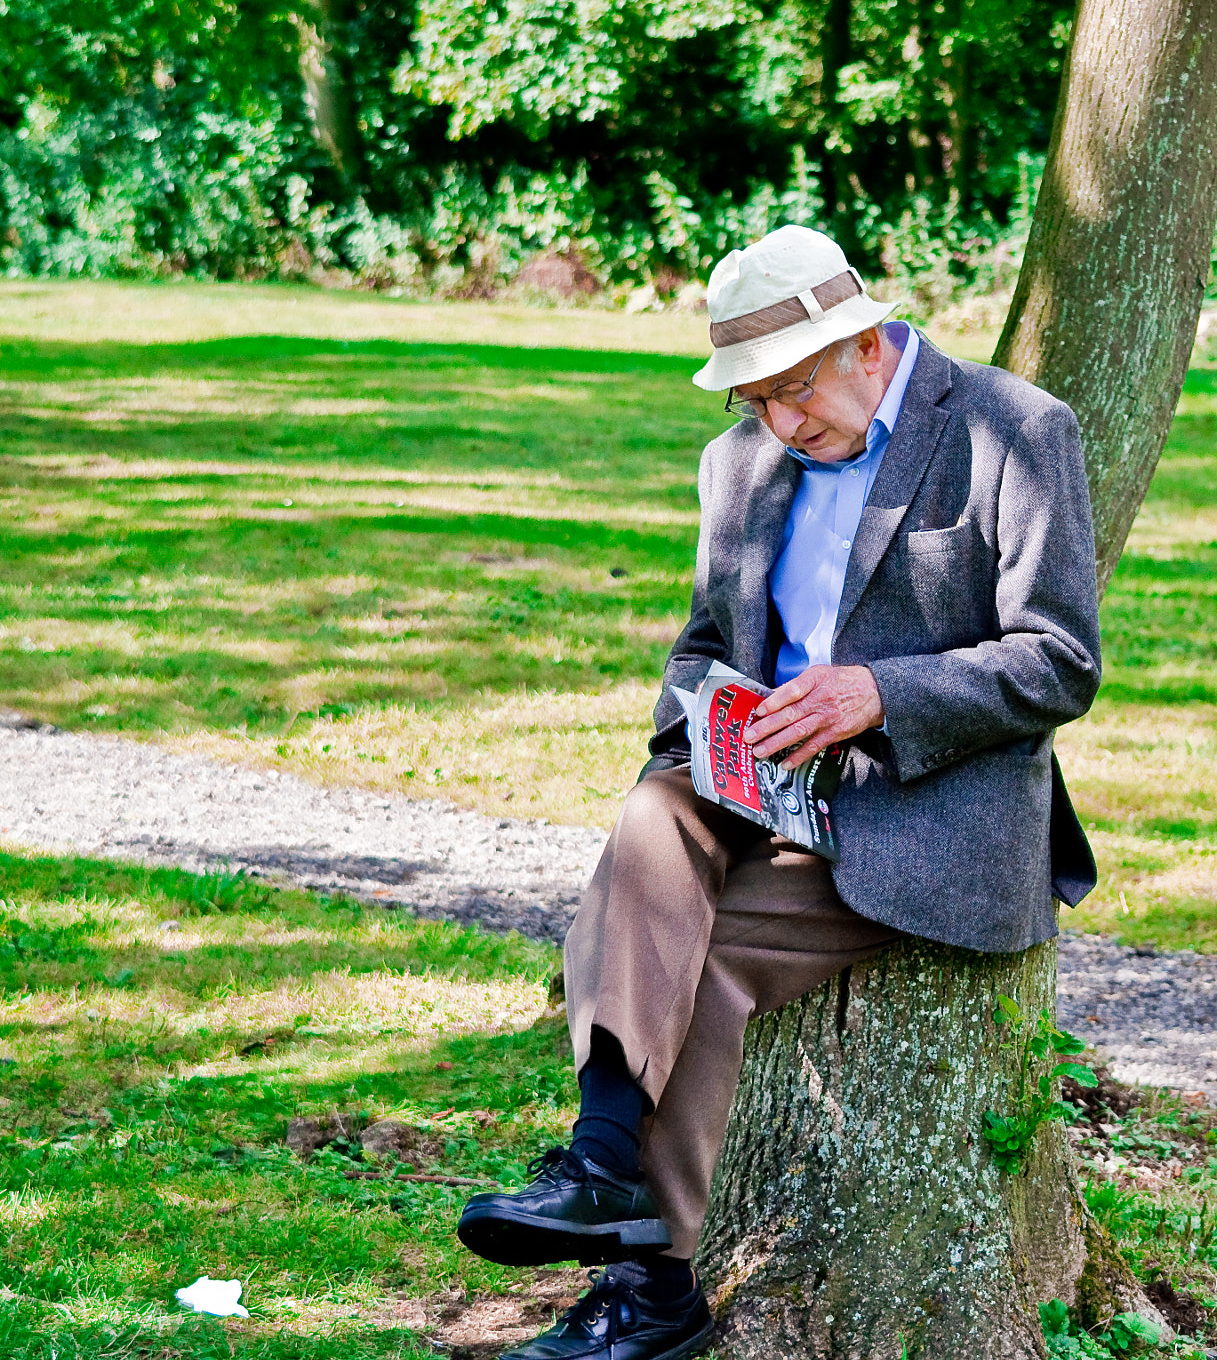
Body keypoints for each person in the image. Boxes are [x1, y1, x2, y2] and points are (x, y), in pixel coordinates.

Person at [453, 224, 1103, 1360]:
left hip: (921, 806)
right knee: (654, 812)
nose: (780, 425)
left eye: (793, 390)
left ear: (860, 343)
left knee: (700, 965)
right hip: (758, 780)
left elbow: (1058, 658)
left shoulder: (1011, 429)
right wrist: (711, 726)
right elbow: (705, 642)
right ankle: (604, 1161)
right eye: (752, 400)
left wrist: (877, 695)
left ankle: (649, 1289)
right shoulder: (739, 466)